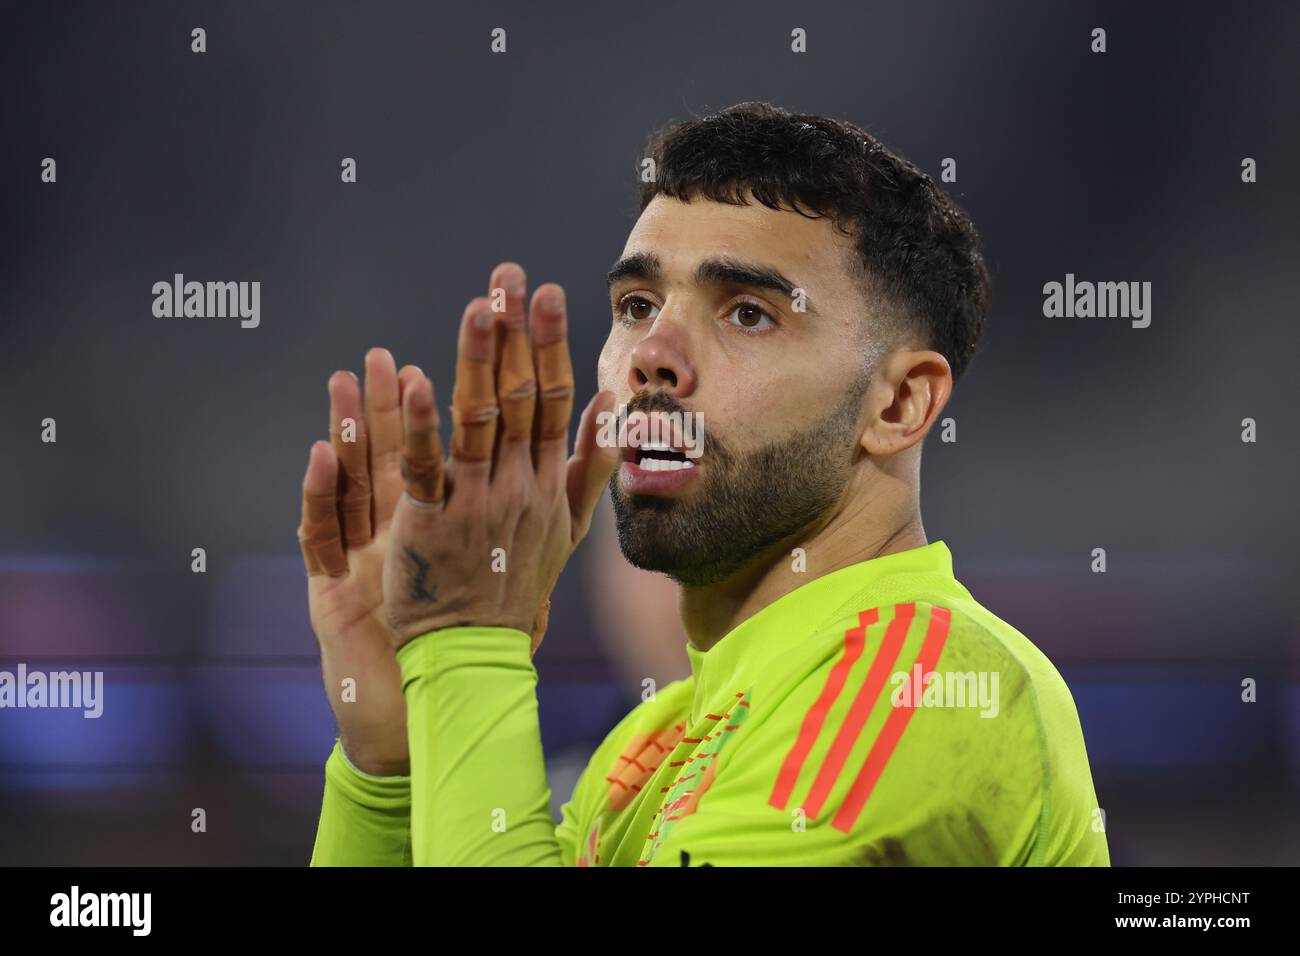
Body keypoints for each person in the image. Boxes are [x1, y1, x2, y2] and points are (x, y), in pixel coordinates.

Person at [303, 102, 1109, 866]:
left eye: (748, 313)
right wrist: (394, 771)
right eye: (638, 303)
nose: (654, 352)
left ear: (899, 403)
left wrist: (467, 645)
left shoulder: (928, 687)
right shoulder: (650, 746)